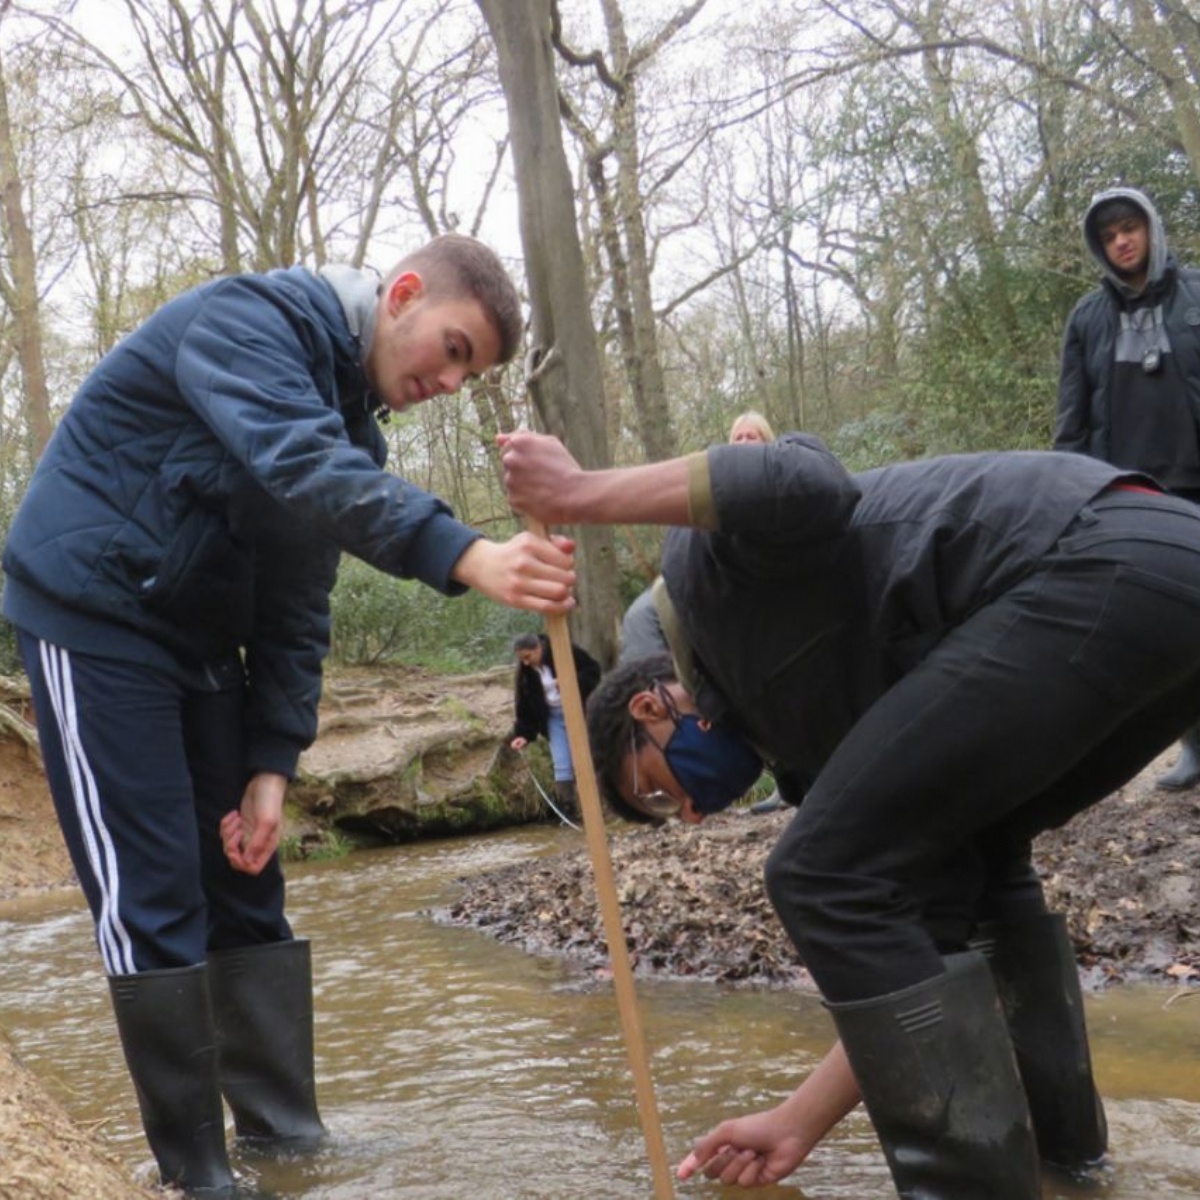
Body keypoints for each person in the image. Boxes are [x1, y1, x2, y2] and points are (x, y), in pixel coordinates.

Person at [2, 234, 576, 1196]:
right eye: (454, 348)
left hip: (195, 641)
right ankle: (196, 1174)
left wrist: (272, 763)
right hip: (90, 613)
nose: (449, 380)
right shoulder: (249, 324)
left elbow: (296, 605)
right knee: (155, 894)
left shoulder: (358, 433)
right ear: (400, 296)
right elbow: (303, 465)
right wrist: (466, 554)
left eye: (468, 372)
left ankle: (286, 1143)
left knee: (247, 887)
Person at [498, 427, 1200, 1198]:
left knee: (815, 872)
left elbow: (807, 479)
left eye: (662, 791)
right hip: (1171, 585)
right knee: (981, 871)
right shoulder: (811, 752)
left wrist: (578, 495)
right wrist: (800, 1119)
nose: (692, 814)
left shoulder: (704, 577)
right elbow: (921, 942)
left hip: (1100, 557)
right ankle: (1070, 1169)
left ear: (649, 706)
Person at [1055, 185, 1200, 791]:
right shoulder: (1087, 320)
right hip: (1132, 493)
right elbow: (1072, 417)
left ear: (1150, 228)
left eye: (1129, 227)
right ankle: (1195, 741)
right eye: (1109, 233)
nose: (1121, 240)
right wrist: (1068, 495)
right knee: (1172, 621)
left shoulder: (1196, 294)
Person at [509, 631, 600, 817]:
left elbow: (593, 671)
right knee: (561, 764)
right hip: (553, 718)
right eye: (522, 659)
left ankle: (600, 806)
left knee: (589, 758)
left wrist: (570, 681)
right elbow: (525, 705)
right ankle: (567, 811)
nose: (525, 662)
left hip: (580, 711)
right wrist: (523, 734)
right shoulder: (525, 673)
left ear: (539, 648)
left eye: (528, 657)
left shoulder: (565, 651)